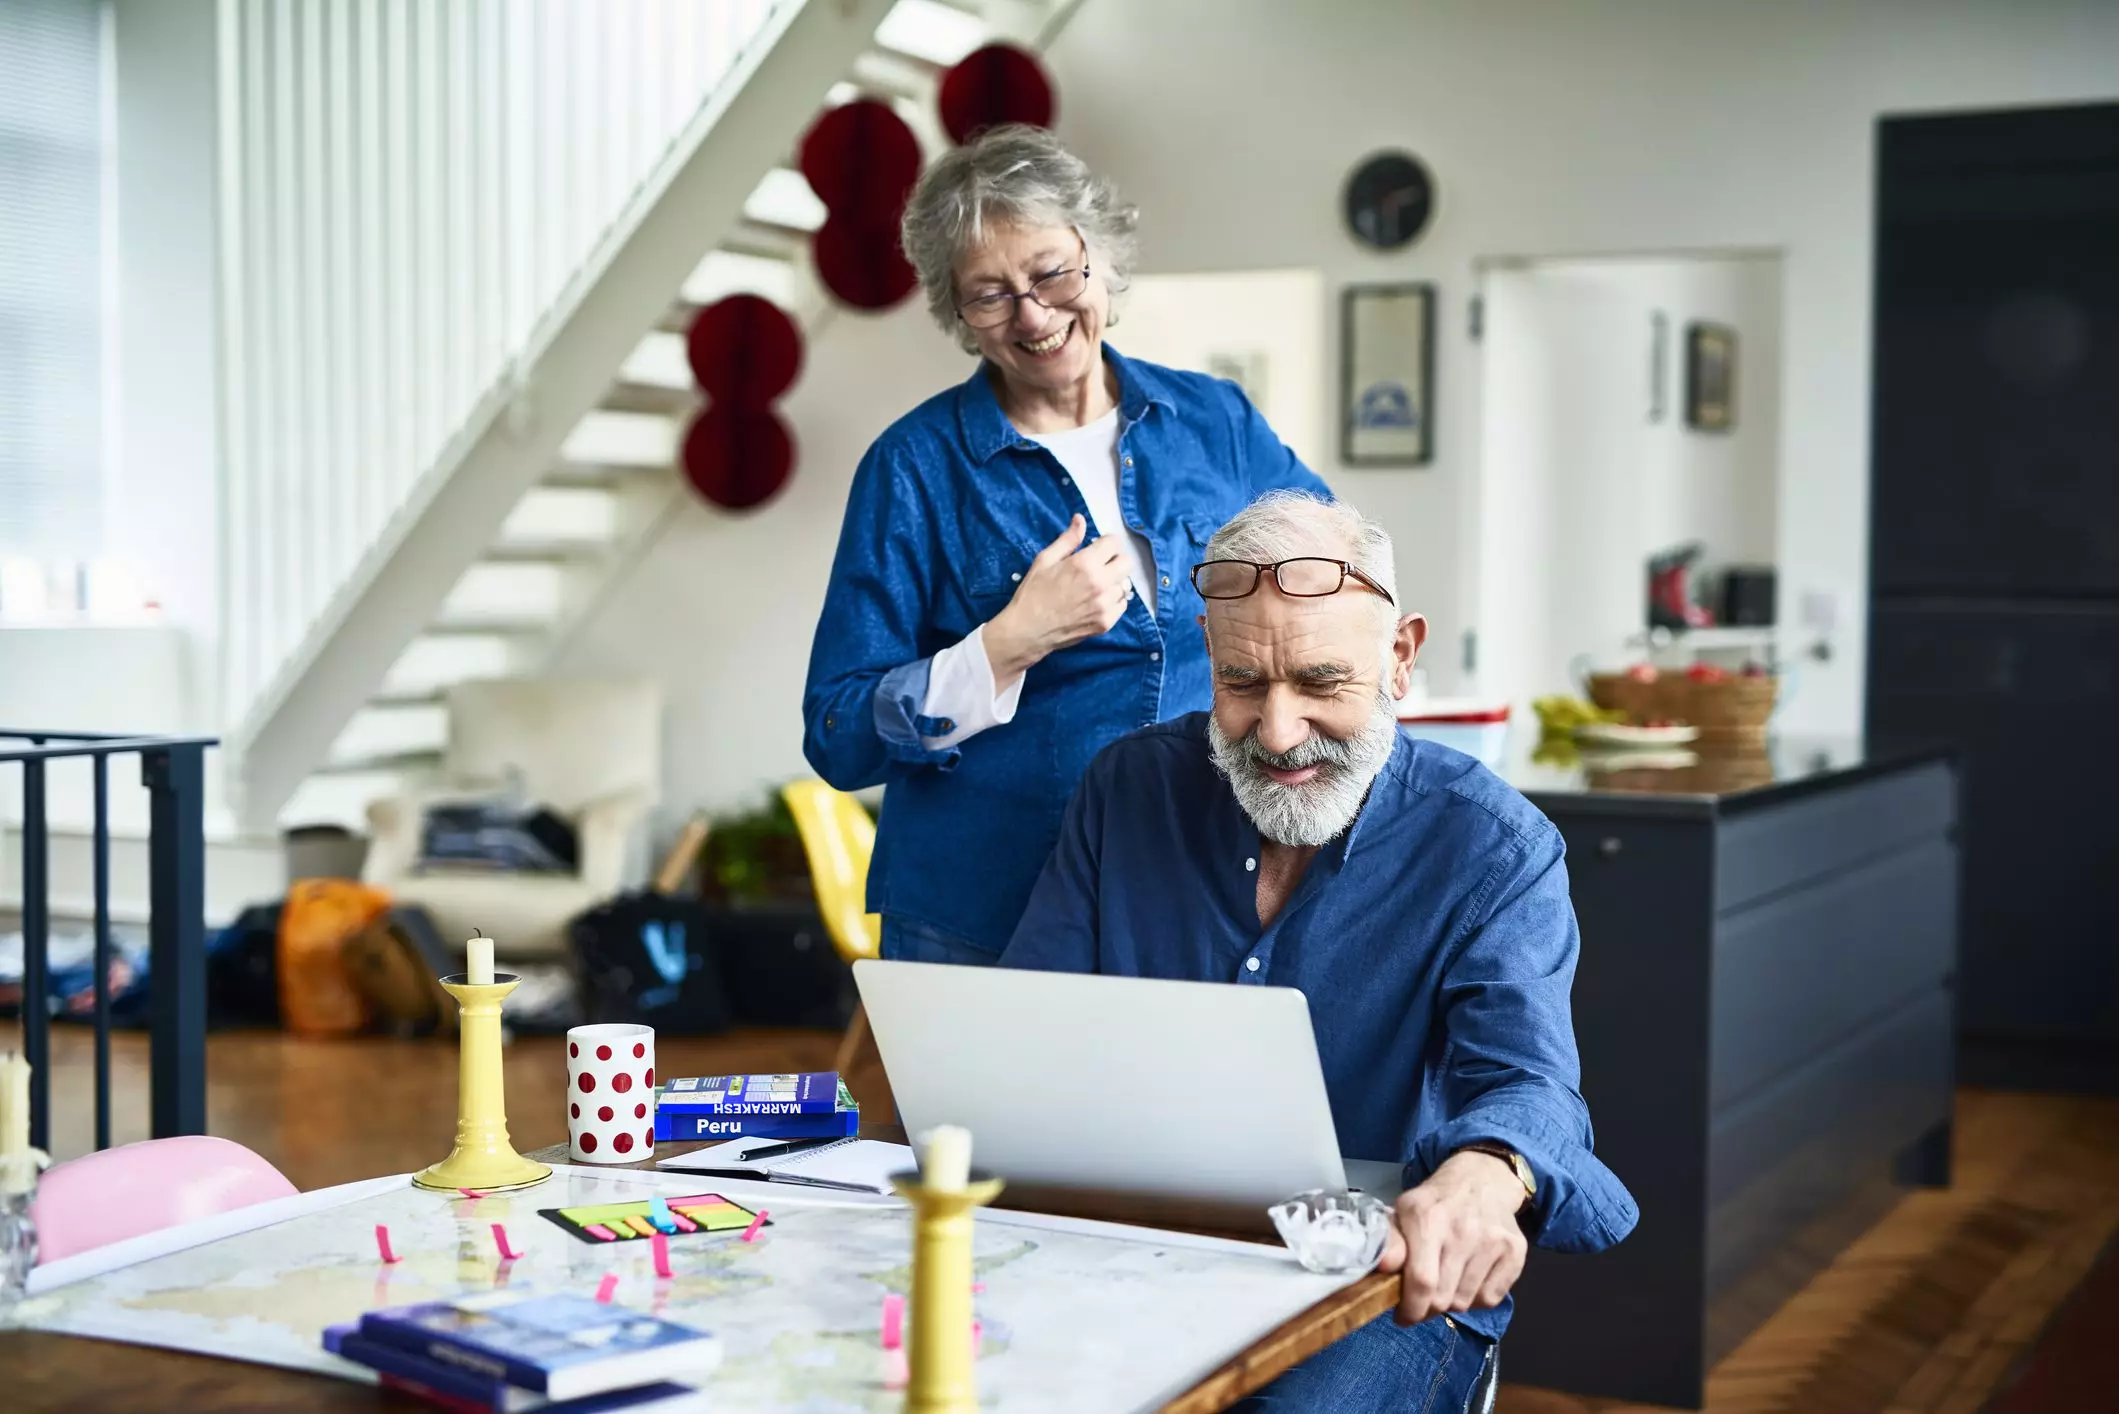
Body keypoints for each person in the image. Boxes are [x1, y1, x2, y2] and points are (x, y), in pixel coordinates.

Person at [1000, 491, 1639, 1412]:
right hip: (1137, 1234)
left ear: (1400, 659)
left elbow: (1530, 1084)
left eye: (1320, 682)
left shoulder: (1494, 846)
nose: (1277, 731)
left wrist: (1486, 1172)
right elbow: (1030, 1024)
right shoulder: (1127, 786)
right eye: (1242, 683)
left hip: (1379, 1278)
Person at [802, 126, 1329, 966]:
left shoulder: (1215, 421)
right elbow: (837, 730)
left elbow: (1330, 582)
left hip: (1198, 895)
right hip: (984, 910)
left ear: (1098, 256)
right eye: (991, 293)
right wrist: (1008, 643)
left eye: (1051, 272)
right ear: (958, 313)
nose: (1035, 315)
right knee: (978, 1109)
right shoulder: (912, 467)